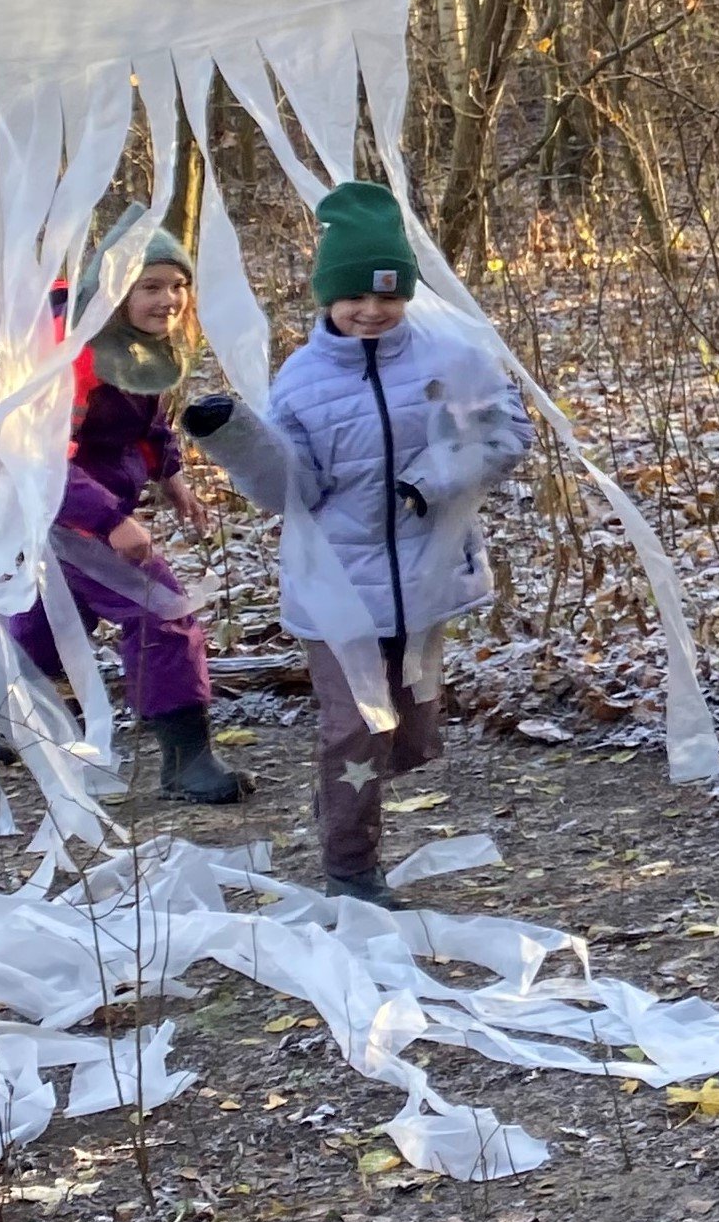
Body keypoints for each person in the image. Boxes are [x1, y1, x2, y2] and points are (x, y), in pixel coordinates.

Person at [194, 181, 532, 901]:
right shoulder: (303, 381)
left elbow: (508, 432)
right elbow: (295, 488)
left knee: (407, 736)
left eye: (388, 295)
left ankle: (340, 805)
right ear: (327, 295)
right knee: (355, 731)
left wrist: (432, 479)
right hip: (337, 588)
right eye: (355, 296)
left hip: (425, 577)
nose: (371, 310)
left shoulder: (449, 359)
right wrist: (235, 438)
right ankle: (350, 869)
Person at [9, 230, 248, 806]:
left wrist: (172, 480)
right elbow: (41, 454)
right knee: (163, 612)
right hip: (68, 515)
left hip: (92, 512)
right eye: (150, 287)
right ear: (116, 293)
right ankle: (186, 760)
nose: (169, 299)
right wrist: (111, 519)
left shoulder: (139, 346)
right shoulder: (76, 359)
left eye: (178, 286)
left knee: (48, 623)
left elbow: (148, 421)